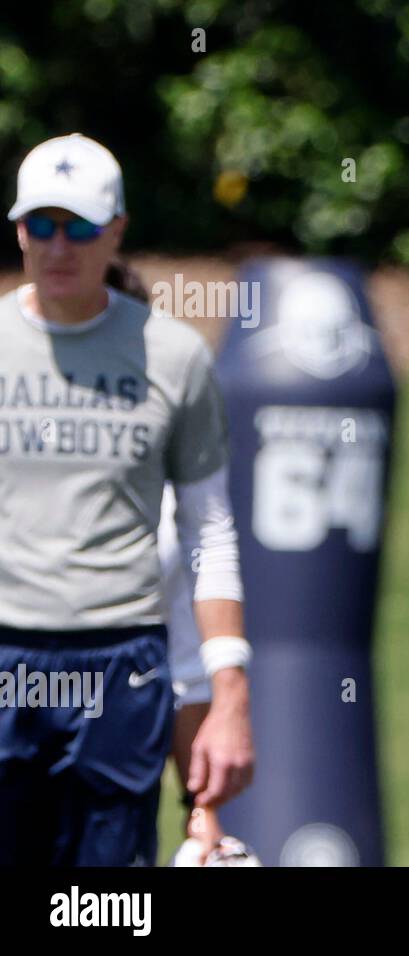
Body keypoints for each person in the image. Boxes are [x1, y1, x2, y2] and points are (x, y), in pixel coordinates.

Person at [0, 133, 254, 865]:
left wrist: (229, 694)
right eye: (39, 225)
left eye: (79, 227)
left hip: (120, 662)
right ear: (18, 229)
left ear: (115, 229)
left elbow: (210, 533)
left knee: (106, 904)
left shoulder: (174, 356)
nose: (58, 246)